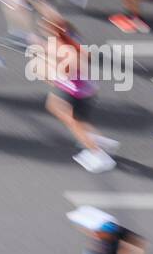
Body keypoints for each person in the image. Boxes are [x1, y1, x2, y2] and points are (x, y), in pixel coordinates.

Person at [36, 10, 118, 173]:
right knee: (54, 106)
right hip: (81, 89)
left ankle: (99, 154)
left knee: (75, 124)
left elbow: (67, 69)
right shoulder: (68, 38)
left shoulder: (64, 47)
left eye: (43, 27)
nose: (41, 28)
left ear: (52, 30)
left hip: (77, 92)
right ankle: (97, 140)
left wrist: (48, 67)